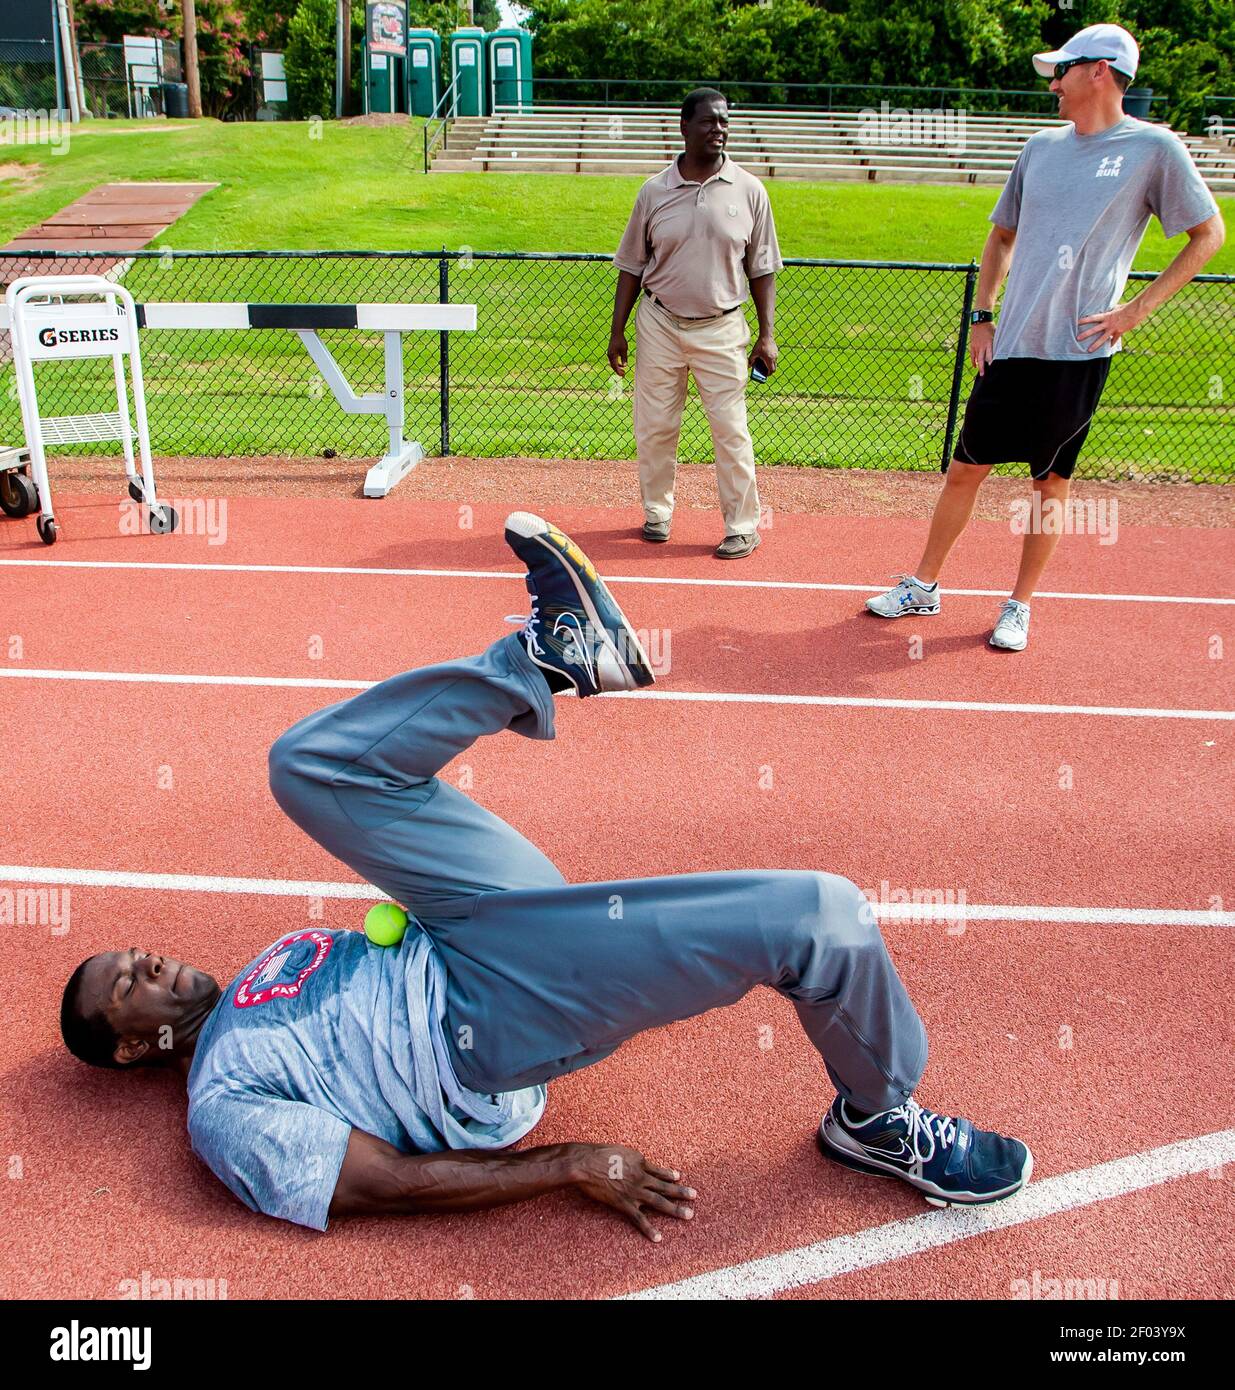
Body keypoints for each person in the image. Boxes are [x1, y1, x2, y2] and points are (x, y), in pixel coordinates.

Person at [59, 514, 1032, 1238]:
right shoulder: (222, 1103)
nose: (145, 963)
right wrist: (568, 1162)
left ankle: (547, 658)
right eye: (126, 985)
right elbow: (377, 1181)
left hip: (464, 931)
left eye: (132, 954)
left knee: (306, 768)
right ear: (136, 1049)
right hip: (479, 1029)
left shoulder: (272, 958)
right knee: (821, 915)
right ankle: (877, 1117)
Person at [867, 24, 1224, 650]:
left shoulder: (1154, 150)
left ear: (1101, 72)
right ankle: (923, 586)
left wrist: (1135, 310)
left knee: (1049, 485)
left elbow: (1208, 234)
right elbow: (1001, 235)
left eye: (1063, 71)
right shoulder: (1038, 148)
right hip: (1010, 347)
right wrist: (983, 315)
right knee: (964, 470)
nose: (1053, 84)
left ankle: (1018, 604)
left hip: (1078, 352)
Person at [609, 87, 782, 560]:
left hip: (723, 327)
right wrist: (617, 329)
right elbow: (631, 265)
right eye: (708, 121)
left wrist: (767, 335)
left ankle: (742, 526)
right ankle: (657, 513)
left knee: (730, 429)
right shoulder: (654, 191)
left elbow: (762, 268)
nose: (719, 129)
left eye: (724, 121)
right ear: (684, 127)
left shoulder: (749, 190)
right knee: (655, 426)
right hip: (660, 323)